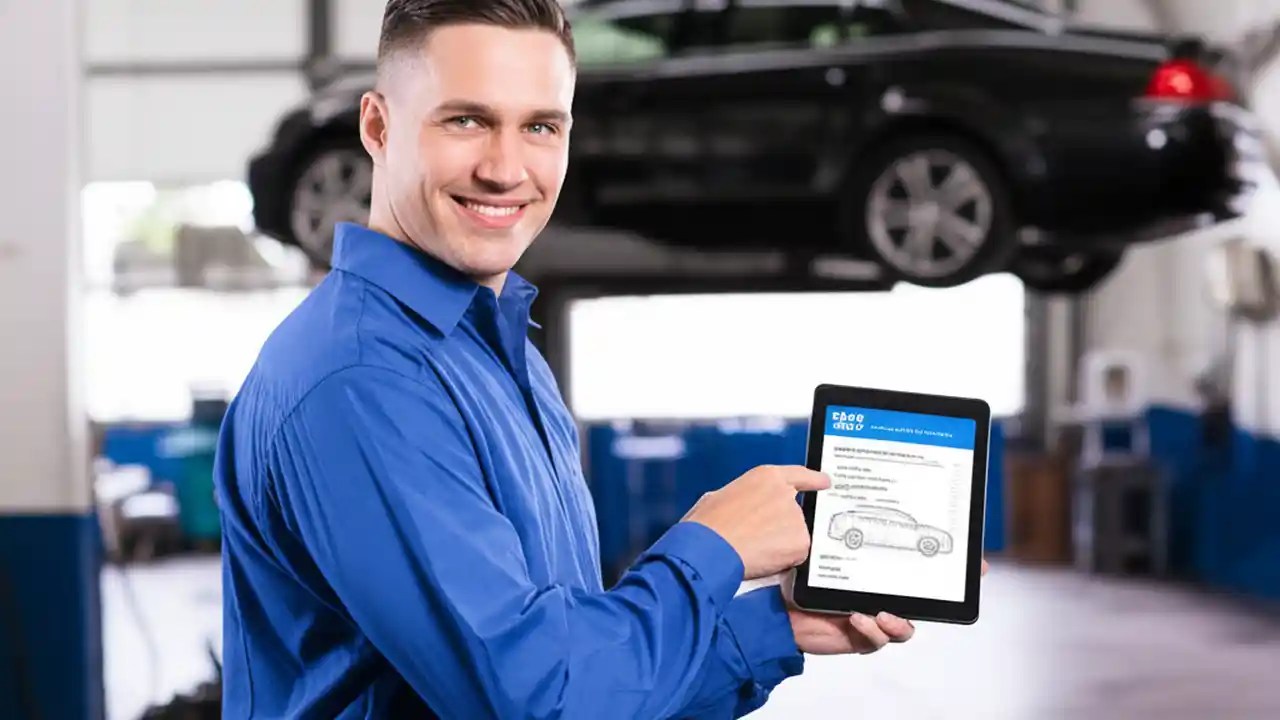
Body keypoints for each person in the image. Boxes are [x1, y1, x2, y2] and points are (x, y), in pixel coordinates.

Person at [215, 1, 976, 717]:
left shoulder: (495, 350)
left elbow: (582, 674)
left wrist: (773, 627)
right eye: (468, 121)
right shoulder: (364, 381)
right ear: (378, 127)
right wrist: (710, 549)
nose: (506, 168)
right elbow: (541, 699)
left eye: (541, 126)